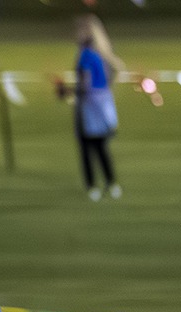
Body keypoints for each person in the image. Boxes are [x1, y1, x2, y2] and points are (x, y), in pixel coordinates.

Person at [72, 15, 122, 201]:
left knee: (86, 148)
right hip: (103, 107)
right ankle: (112, 184)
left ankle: (92, 187)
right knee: (101, 147)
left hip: (88, 109)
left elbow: (84, 85)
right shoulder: (101, 54)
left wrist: (67, 91)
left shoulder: (85, 55)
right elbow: (109, 77)